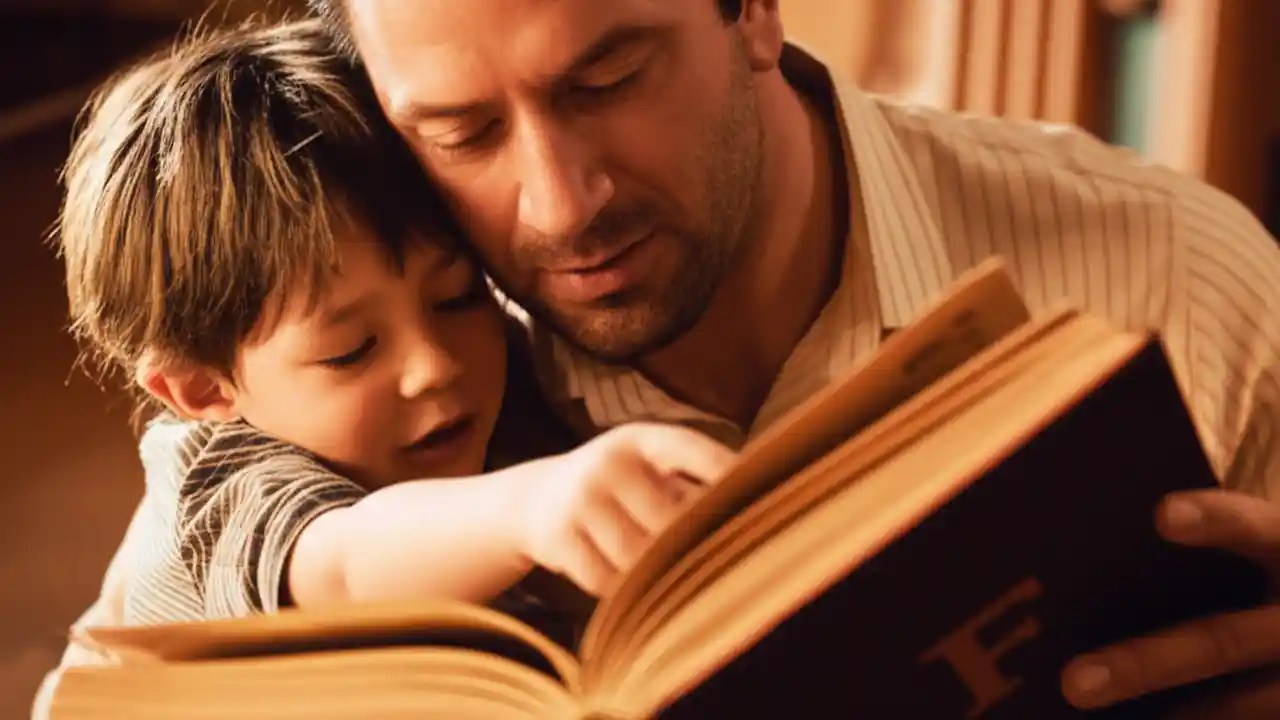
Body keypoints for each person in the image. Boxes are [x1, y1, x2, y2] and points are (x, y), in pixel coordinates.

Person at [309, 0, 1280, 714]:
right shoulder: (357, 381)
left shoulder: (1179, 277)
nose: (561, 205)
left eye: (609, 82)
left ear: (756, 13)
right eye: (462, 135)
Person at [32, 19, 736, 718]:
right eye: (351, 351)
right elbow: (345, 569)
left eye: (457, 297)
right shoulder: (215, 495)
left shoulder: (491, 380)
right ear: (202, 388)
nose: (434, 365)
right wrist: (534, 506)